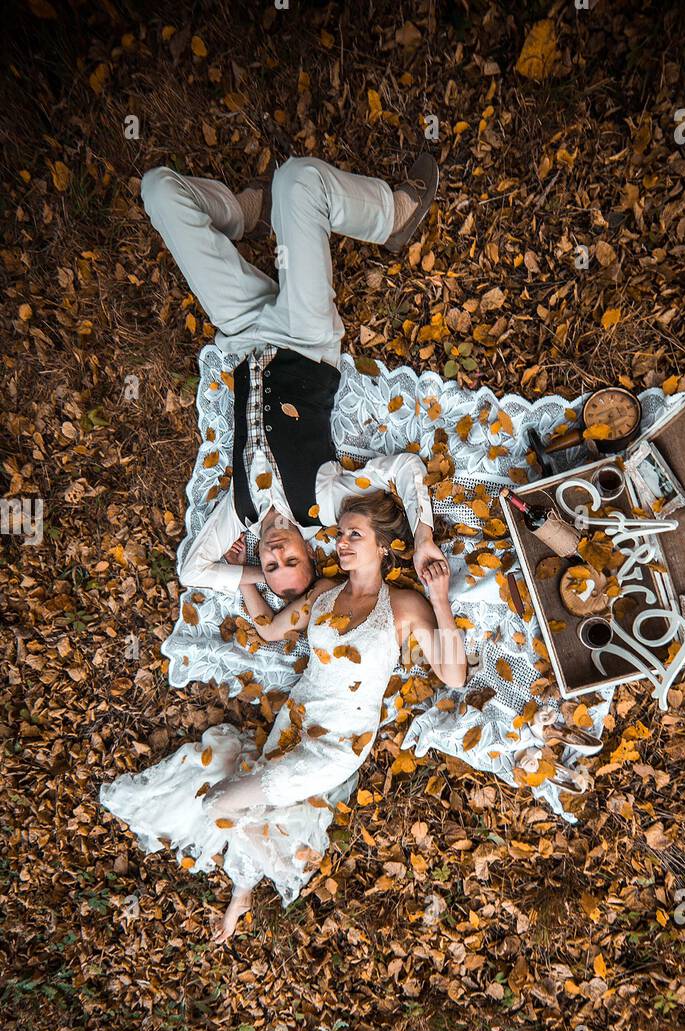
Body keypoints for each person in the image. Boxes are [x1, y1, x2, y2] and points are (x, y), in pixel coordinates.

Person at [100, 491, 467, 944]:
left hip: (339, 745)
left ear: (384, 546)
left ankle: (242, 890)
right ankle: (243, 890)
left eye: (356, 534)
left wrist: (440, 597)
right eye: (340, 534)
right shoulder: (323, 594)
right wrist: (243, 578)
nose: (343, 543)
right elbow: (270, 630)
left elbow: (452, 674)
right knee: (256, 804)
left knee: (218, 801)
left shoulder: (404, 606)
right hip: (297, 719)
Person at [139, 150, 445, 600]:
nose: (278, 552)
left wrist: (261, 580)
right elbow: (405, 467)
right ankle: (394, 217)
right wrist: (423, 537)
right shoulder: (323, 504)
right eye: (293, 560)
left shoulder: (239, 512)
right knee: (298, 179)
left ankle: (244, 213)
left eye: (270, 563)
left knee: (158, 190)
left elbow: (192, 571)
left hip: (242, 334)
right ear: (310, 548)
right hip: (305, 340)